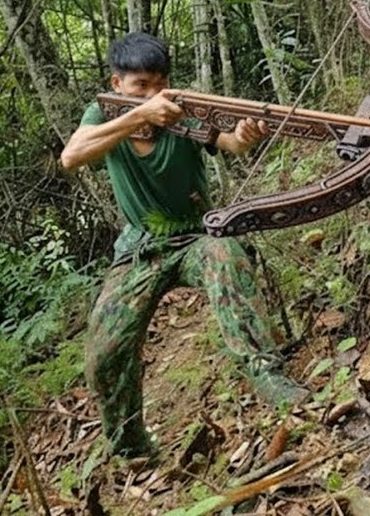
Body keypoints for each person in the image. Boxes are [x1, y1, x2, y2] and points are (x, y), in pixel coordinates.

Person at [60, 32, 306, 459]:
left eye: (160, 84)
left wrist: (244, 135)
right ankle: (131, 447)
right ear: (117, 84)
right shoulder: (102, 113)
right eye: (140, 86)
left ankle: (268, 376)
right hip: (138, 249)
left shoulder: (182, 110)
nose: (154, 94)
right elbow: (71, 156)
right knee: (105, 352)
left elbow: (229, 141)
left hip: (195, 235)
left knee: (225, 254)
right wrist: (138, 116)